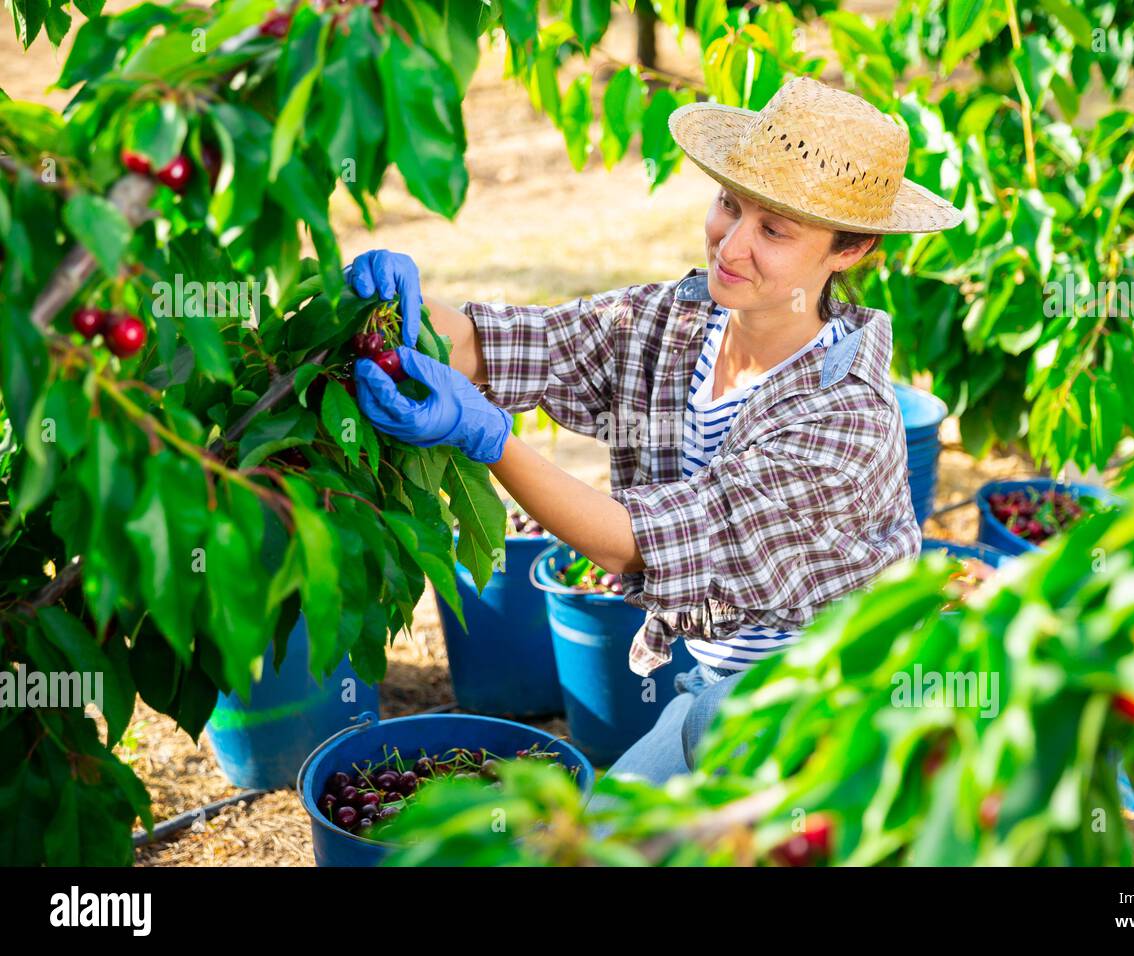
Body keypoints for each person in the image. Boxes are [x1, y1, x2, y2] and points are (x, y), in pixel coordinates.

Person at [342, 75, 963, 808]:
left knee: (694, 793)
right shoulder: (679, 323)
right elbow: (525, 344)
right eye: (731, 205)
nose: (731, 245)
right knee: (602, 836)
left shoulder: (842, 418)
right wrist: (403, 312)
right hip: (718, 693)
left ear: (850, 251)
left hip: (835, 709)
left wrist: (487, 437)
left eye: (775, 231)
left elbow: (636, 544)